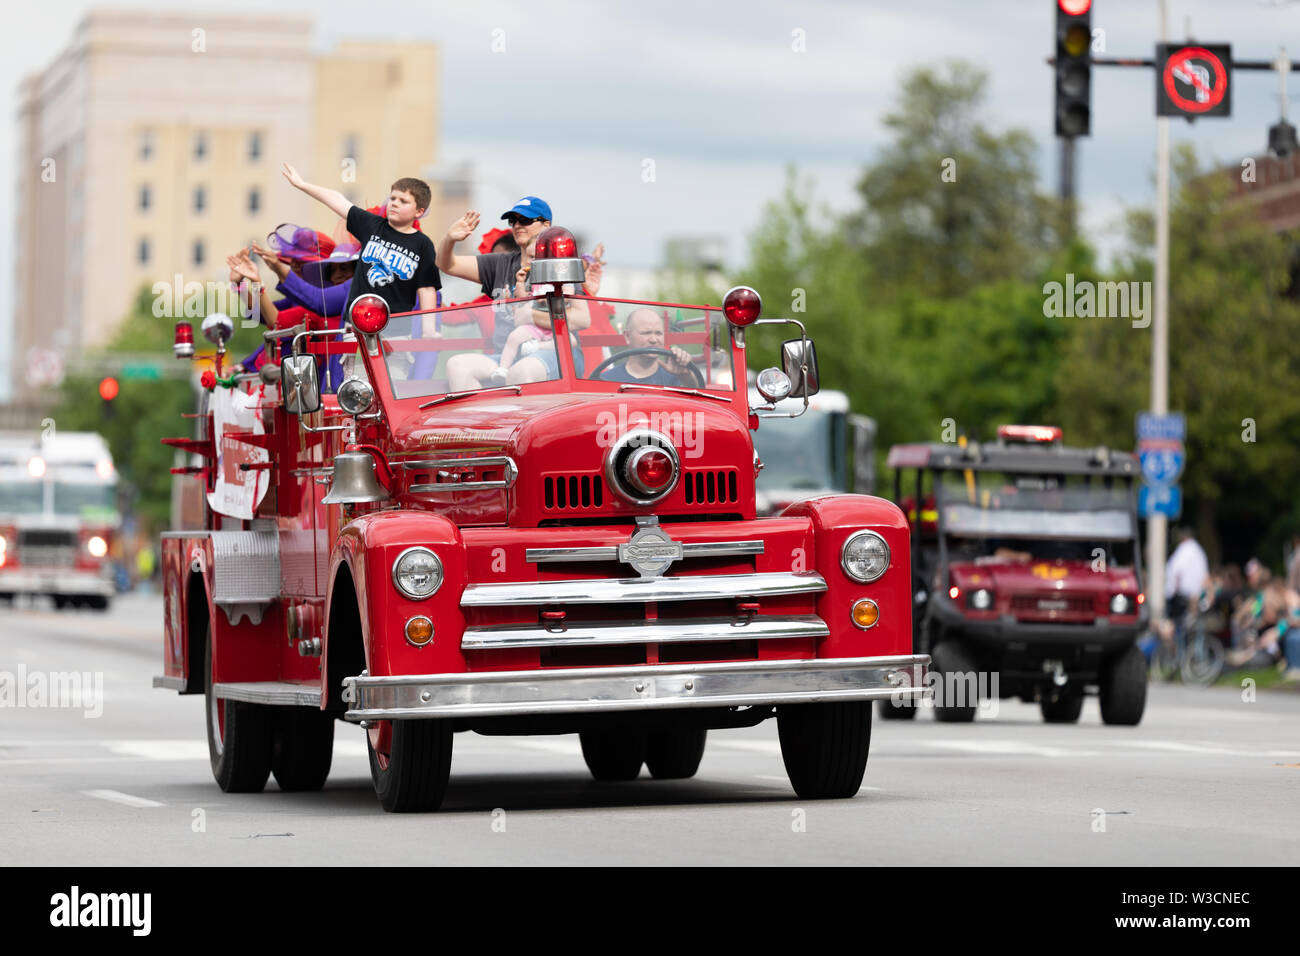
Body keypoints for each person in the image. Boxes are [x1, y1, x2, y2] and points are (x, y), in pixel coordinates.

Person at [437, 199, 603, 390]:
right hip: (508, 355)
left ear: (546, 225)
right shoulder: (500, 263)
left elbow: (582, 319)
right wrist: (449, 239)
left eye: (525, 220)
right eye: (513, 221)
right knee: (457, 366)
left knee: (521, 372)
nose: (517, 225)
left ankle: (516, 419)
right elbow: (447, 265)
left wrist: (531, 315)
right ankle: (483, 419)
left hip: (555, 353)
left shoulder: (560, 263)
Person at [281, 163, 441, 332]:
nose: (394, 203)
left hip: (395, 330)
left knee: (393, 359)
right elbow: (337, 199)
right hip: (357, 325)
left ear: (419, 212)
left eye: (403, 201)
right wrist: (302, 185)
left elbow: (427, 289)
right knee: (354, 358)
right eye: (393, 198)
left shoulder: (423, 244)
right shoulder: (372, 225)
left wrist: (428, 331)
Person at [598, 309, 694, 385]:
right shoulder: (606, 380)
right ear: (627, 336)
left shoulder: (677, 378)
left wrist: (686, 375)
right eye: (646, 333)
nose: (654, 340)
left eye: (658, 333)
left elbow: (696, 399)